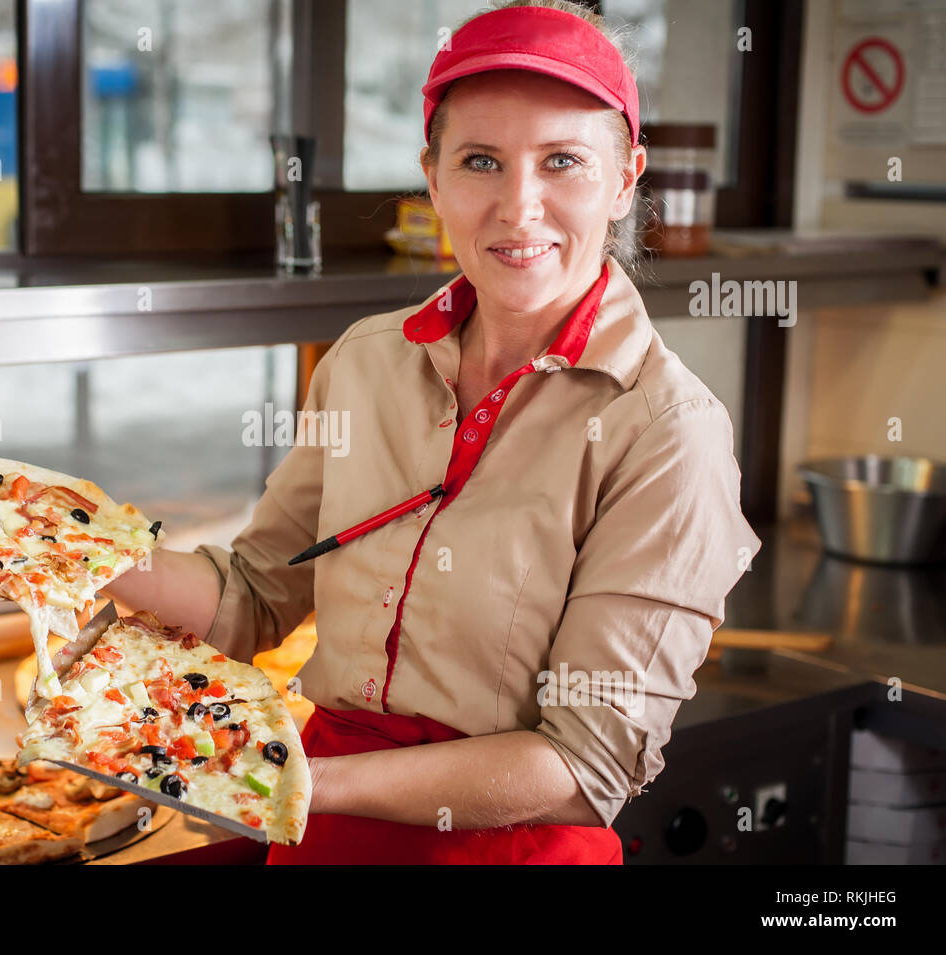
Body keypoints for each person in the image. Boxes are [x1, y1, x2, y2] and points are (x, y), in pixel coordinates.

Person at [103, 0, 762, 864]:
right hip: (320, 842)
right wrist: (68, 554)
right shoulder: (365, 363)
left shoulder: (668, 430)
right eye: (481, 161)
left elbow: (582, 763)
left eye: (562, 161)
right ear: (434, 175)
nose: (518, 208)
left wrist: (290, 777)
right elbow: (253, 600)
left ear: (626, 176)